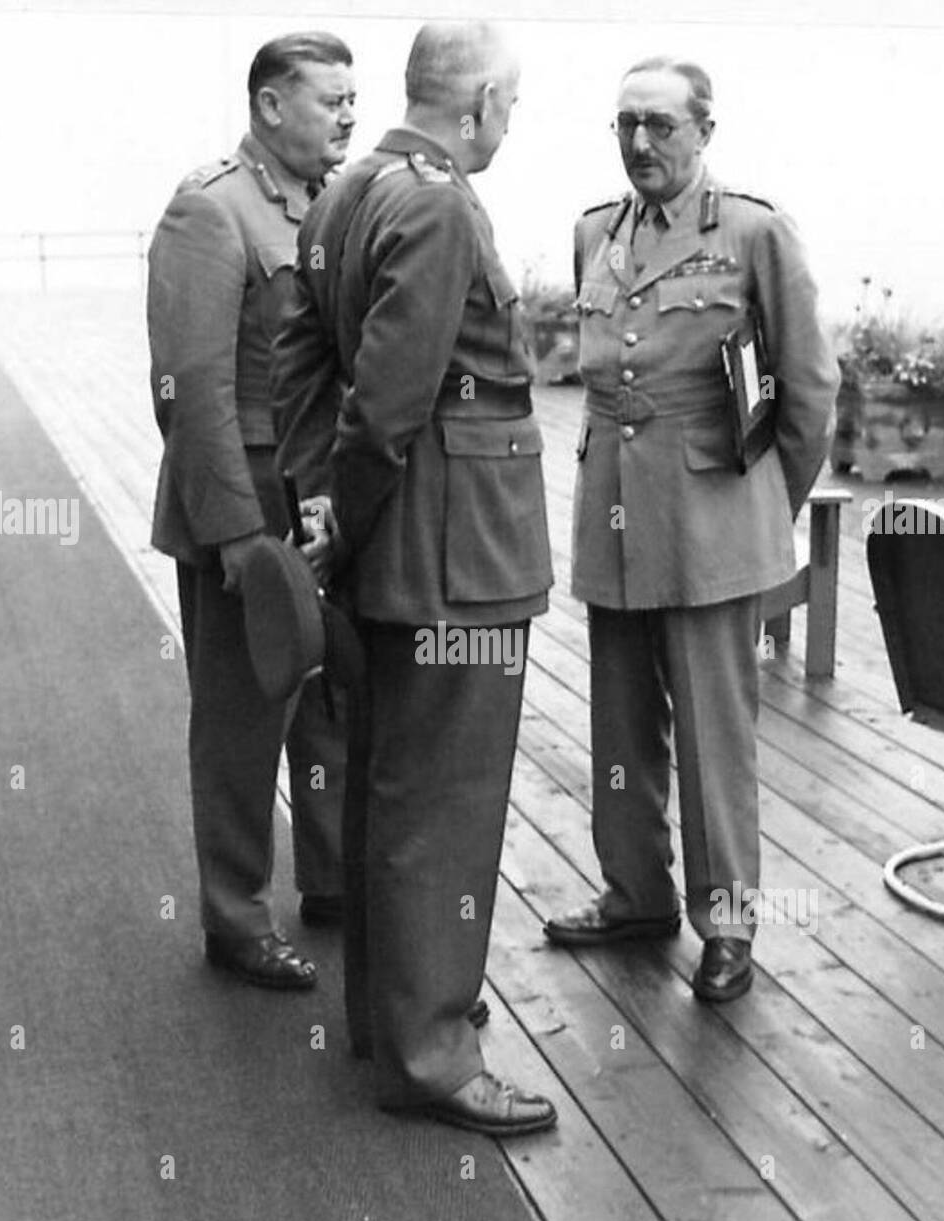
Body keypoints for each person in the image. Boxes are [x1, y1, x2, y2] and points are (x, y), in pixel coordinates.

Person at [273, 21, 557, 1135]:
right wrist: (342, 521)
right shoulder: (435, 201)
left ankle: (390, 1018)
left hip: (399, 548)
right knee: (444, 800)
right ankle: (433, 1055)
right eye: (512, 102)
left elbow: (300, 365)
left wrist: (315, 504)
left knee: (391, 785)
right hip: (455, 552)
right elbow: (387, 400)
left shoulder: (348, 190)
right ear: (479, 101)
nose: (508, 121)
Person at [544, 58, 839, 1003]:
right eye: (625, 125)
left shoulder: (753, 233)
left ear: (704, 132)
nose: (640, 145)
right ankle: (636, 893)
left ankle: (727, 925)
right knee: (622, 724)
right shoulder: (596, 229)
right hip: (614, 520)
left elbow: (809, 391)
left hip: (711, 524)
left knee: (716, 741)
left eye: (660, 126)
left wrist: (758, 512)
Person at [147, 33, 356, 990]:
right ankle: (234, 922)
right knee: (241, 720)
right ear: (271, 107)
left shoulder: (332, 206)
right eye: (329, 101)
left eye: (354, 100)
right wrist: (234, 530)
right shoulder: (211, 209)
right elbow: (189, 390)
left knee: (328, 701)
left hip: (317, 500)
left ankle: (329, 882)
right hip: (244, 504)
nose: (348, 116)